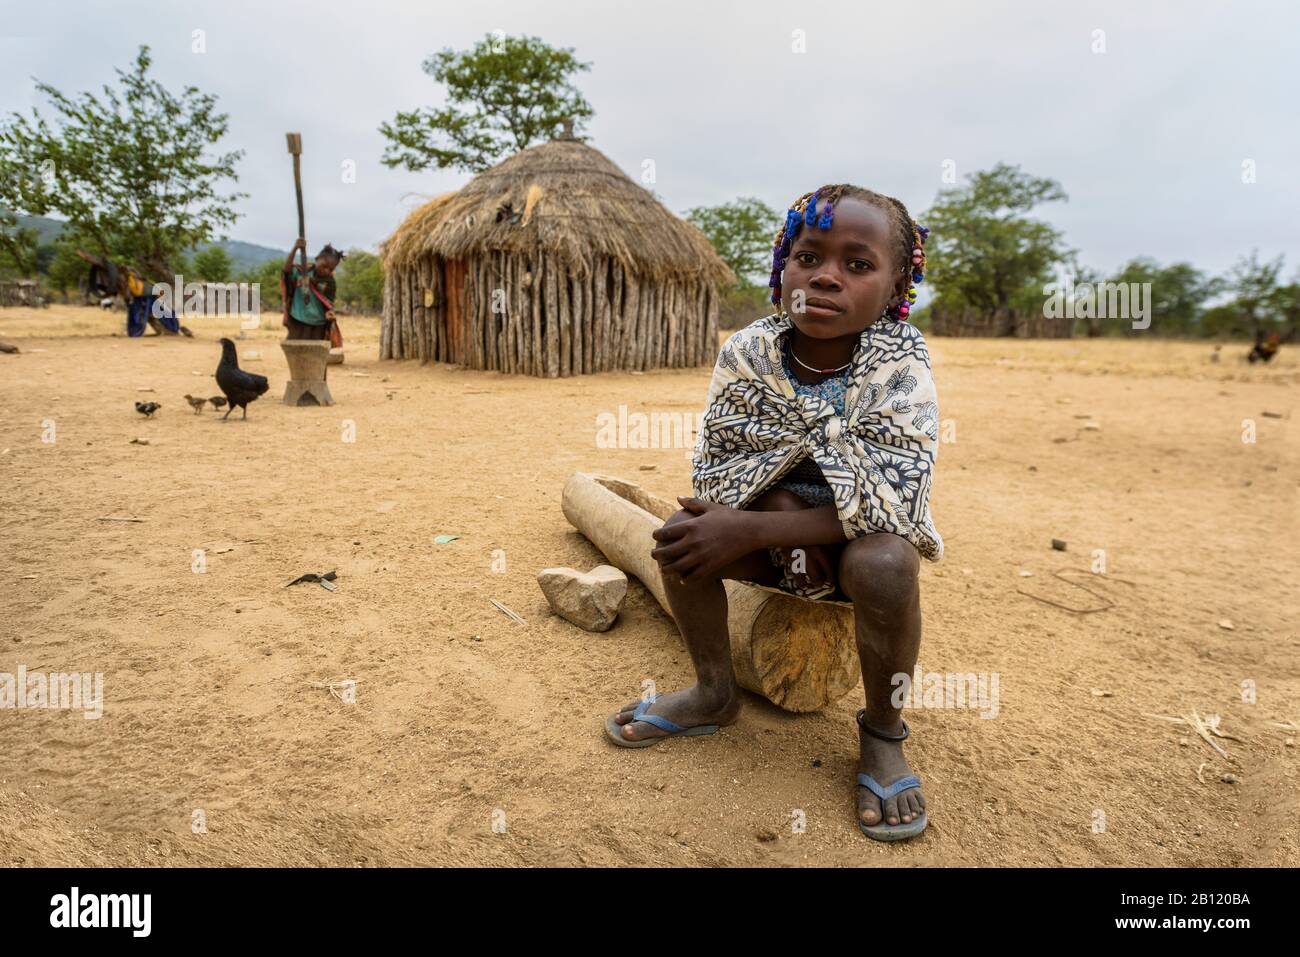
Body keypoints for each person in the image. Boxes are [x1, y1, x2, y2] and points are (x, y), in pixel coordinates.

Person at [605, 184, 942, 842]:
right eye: (808, 255)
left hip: (853, 547)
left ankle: (882, 733)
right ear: (781, 264)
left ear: (897, 283)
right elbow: (721, 465)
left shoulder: (900, 364)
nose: (825, 276)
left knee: (889, 565)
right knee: (682, 537)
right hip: (769, 527)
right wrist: (775, 513)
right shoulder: (749, 352)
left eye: (858, 264)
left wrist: (769, 526)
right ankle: (713, 692)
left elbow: (895, 498)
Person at [281, 239, 343, 343]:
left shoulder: (330, 282)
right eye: (324, 266)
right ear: (317, 259)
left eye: (331, 269)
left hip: (318, 323)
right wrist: (295, 248)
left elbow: (329, 302)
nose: (326, 270)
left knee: (315, 351)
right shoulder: (302, 271)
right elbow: (286, 271)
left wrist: (330, 313)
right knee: (295, 349)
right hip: (298, 318)